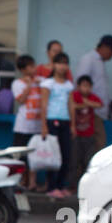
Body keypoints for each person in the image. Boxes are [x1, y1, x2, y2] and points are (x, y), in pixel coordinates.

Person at [74, 34, 112, 148]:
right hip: (90, 112)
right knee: (95, 145)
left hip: (99, 112)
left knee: (96, 144)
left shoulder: (100, 62)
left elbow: (99, 87)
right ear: (104, 47)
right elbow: (80, 84)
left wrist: (109, 103)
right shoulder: (88, 59)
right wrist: (85, 104)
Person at [40, 52, 75, 197]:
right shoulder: (48, 83)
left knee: (65, 154)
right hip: (51, 121)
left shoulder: (68, 85)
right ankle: (51, 187)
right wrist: (44, 125)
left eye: (65, 63)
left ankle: (61, 185)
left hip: (65, 121)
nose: (62, 66)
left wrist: (73, 124)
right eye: (60, 63)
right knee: (53, 155)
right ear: (53, 65)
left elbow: (71, 105)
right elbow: (43, 104)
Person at [11, 53, 45, 190]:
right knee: (20, 156)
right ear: (23, 70)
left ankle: (32, 182)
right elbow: (20, 100)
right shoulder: (17, 83)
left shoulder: (41, 81)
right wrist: (29, 85)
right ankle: (21, 181)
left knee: (34, 157)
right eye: (30, 67)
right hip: (23, 126)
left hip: (37, 127)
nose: (34, 69)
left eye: (33, 65)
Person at [69, 74, 103, 188]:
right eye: (84, 86)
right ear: (78, 86)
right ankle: (73, 186)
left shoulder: (92, 97)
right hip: (76, 135)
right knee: (74, 161)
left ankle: (86, 186)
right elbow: (72, 106)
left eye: (88, 86)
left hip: (89, 135)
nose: (86, 89)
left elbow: (100, 104)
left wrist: (86, 103)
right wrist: (84, 104)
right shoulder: (74, 95)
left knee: (87, 161)